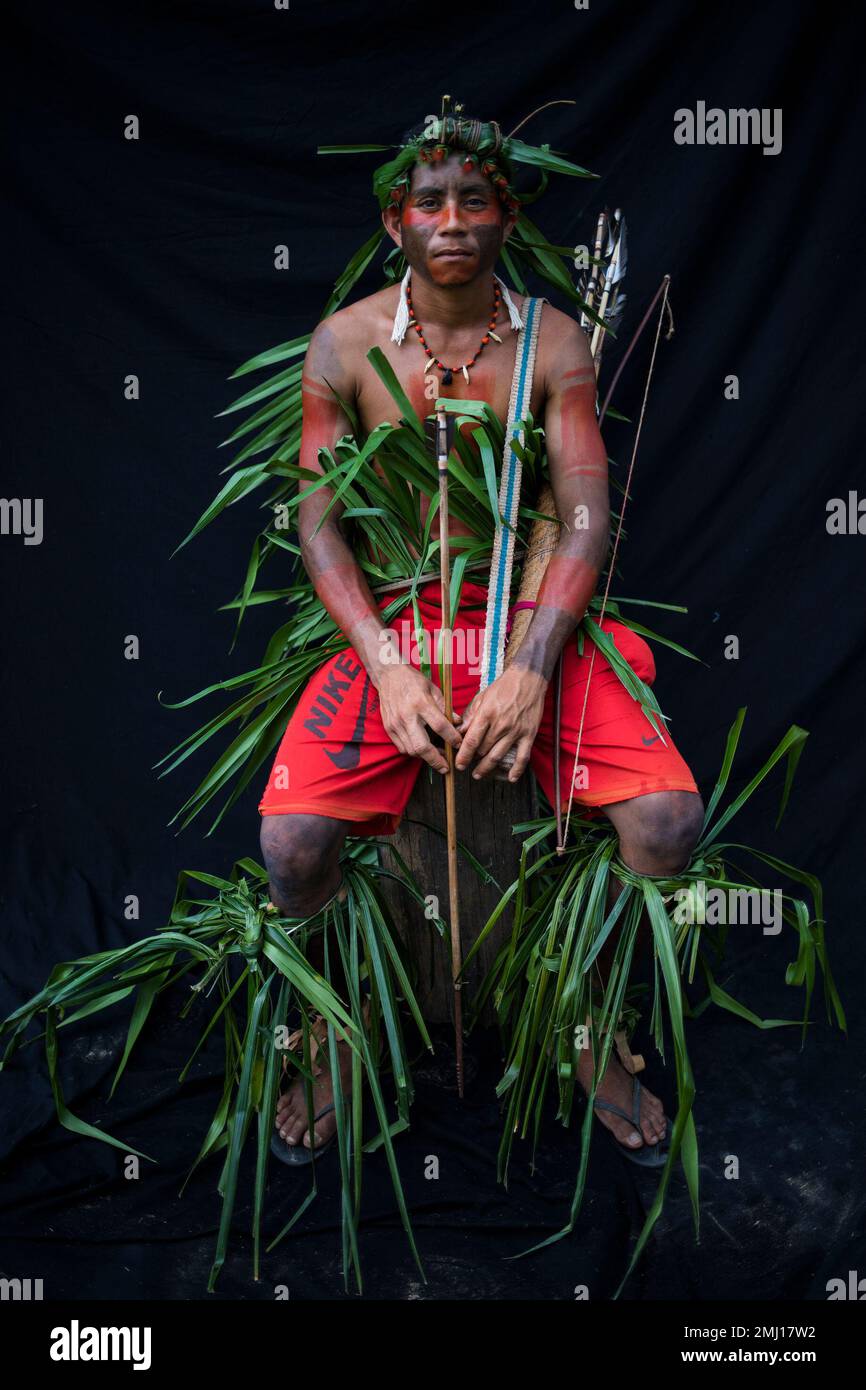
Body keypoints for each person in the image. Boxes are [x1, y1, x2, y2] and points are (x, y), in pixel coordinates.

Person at [258, 111, 705, 1164]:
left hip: (527, 614)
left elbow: (585, 511)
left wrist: (531, 663)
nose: (451, 219)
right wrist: (382, 658)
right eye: (429, 201)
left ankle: (582, 1021)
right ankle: (335, 1019)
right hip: (400, 618)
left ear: (505, 213)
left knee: (666, 822)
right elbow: (316, 516)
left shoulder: (549, 341)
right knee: (290, 845)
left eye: (473, 199)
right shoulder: (346, 342)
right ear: (394, 220)